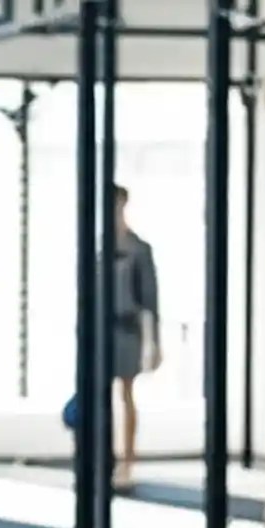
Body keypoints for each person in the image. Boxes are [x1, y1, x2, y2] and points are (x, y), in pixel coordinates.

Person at [108, 184, 161, 491]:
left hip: (127, 328)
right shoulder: (100, 246)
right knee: (103, 396)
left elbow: (150, 299)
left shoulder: (138, 249)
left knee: (126, 394)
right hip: (103, 328)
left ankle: (128, 461)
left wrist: (153, 342)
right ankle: (108, 458)